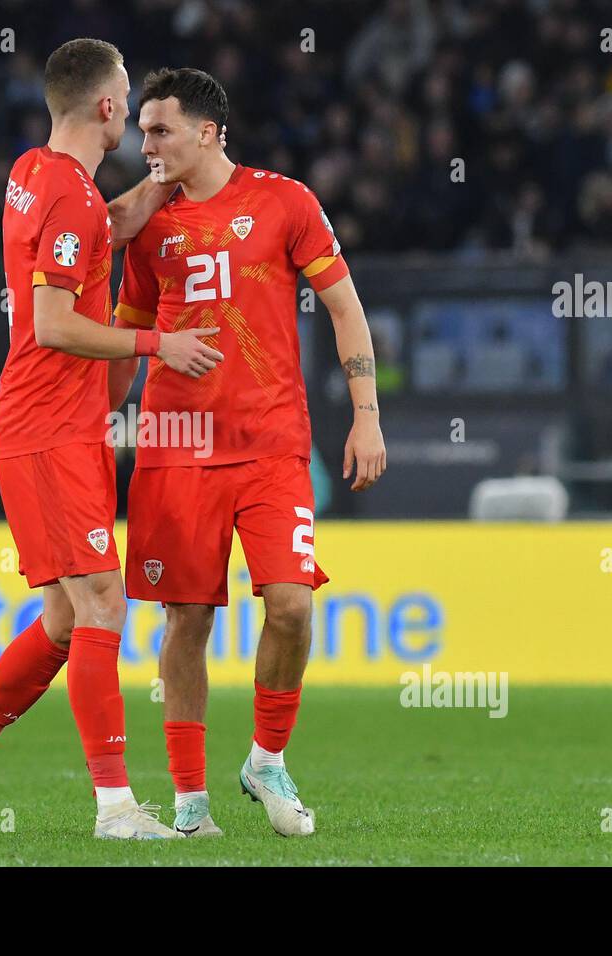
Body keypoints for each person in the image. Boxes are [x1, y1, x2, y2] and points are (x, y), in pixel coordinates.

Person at [0, 39, 223, 839]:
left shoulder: (35, 173)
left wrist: (160, 186)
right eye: (128, 100)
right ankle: (115, 808)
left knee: (62, 618)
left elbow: (103, 226)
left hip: (56, 425)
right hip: (47, 426)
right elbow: (53, 324)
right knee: (103, 603)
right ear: (110, 108)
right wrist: (159, 346)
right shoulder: (66, 196)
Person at [112, 68, 387, 836]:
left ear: (208, 131)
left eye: (159, 130)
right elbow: (123, 337)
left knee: (293, 606)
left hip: (270, 443)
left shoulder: (285, 201)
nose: (146, 144)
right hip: (174, 443)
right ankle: (191, 804)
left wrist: (366, 417)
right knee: (187, 618)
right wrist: (97, 426)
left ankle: (266, 758)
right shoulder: (147, 224)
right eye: (141, 130)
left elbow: (345, 307)